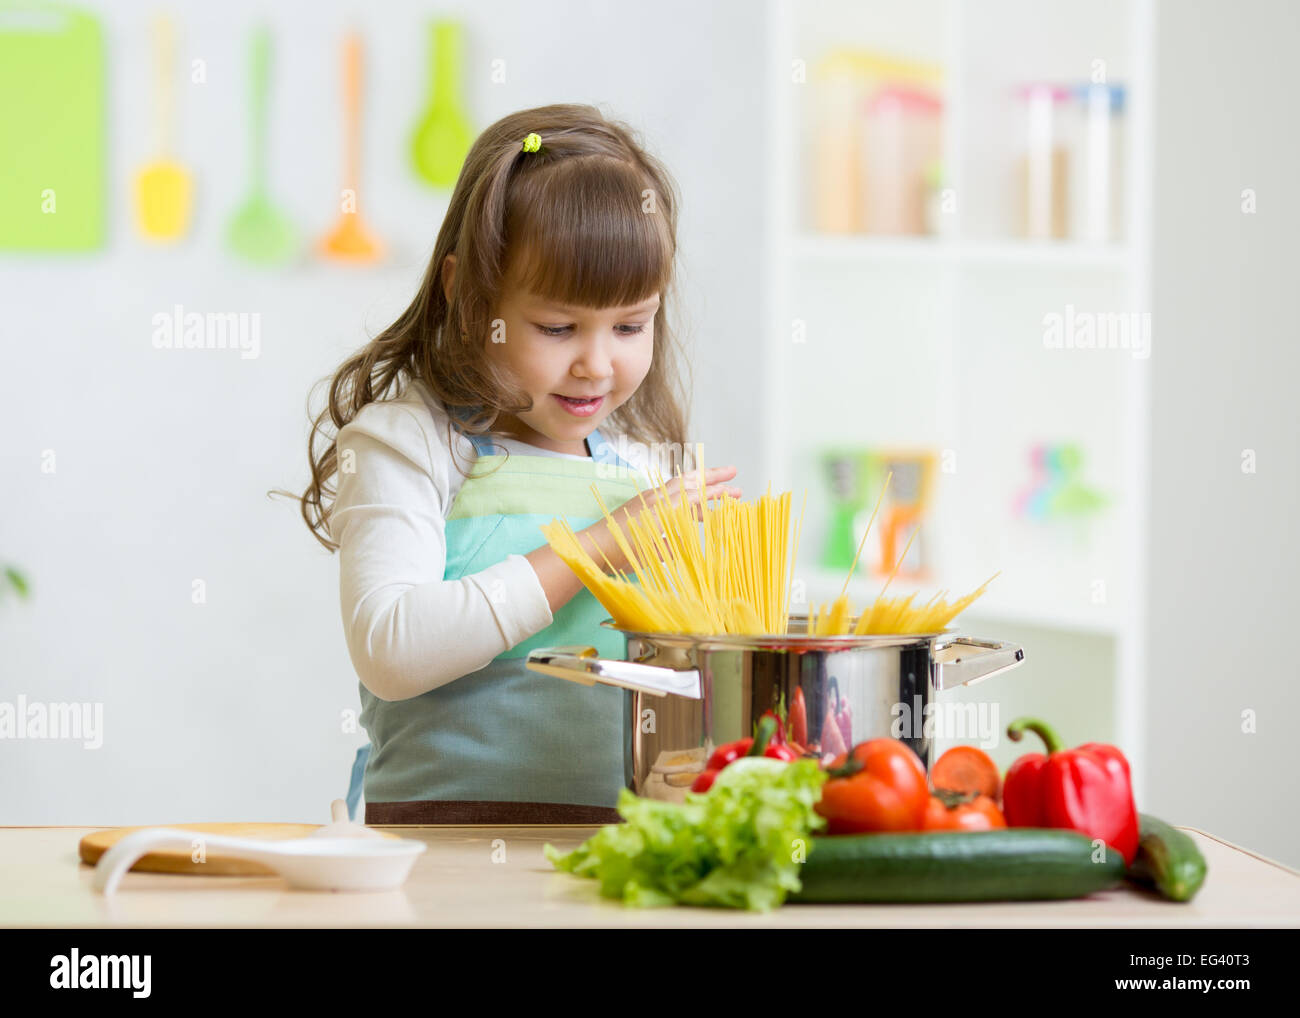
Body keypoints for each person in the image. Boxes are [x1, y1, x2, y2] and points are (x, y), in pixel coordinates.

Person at [287, 104, 741, 823]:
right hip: (436, 854)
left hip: (612, 849)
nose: (597, 363)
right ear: (467, 299)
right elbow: (391, 649)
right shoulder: (411, 445)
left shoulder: (644, 471)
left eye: (631, 324)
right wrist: (595, 549)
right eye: (557, 327)